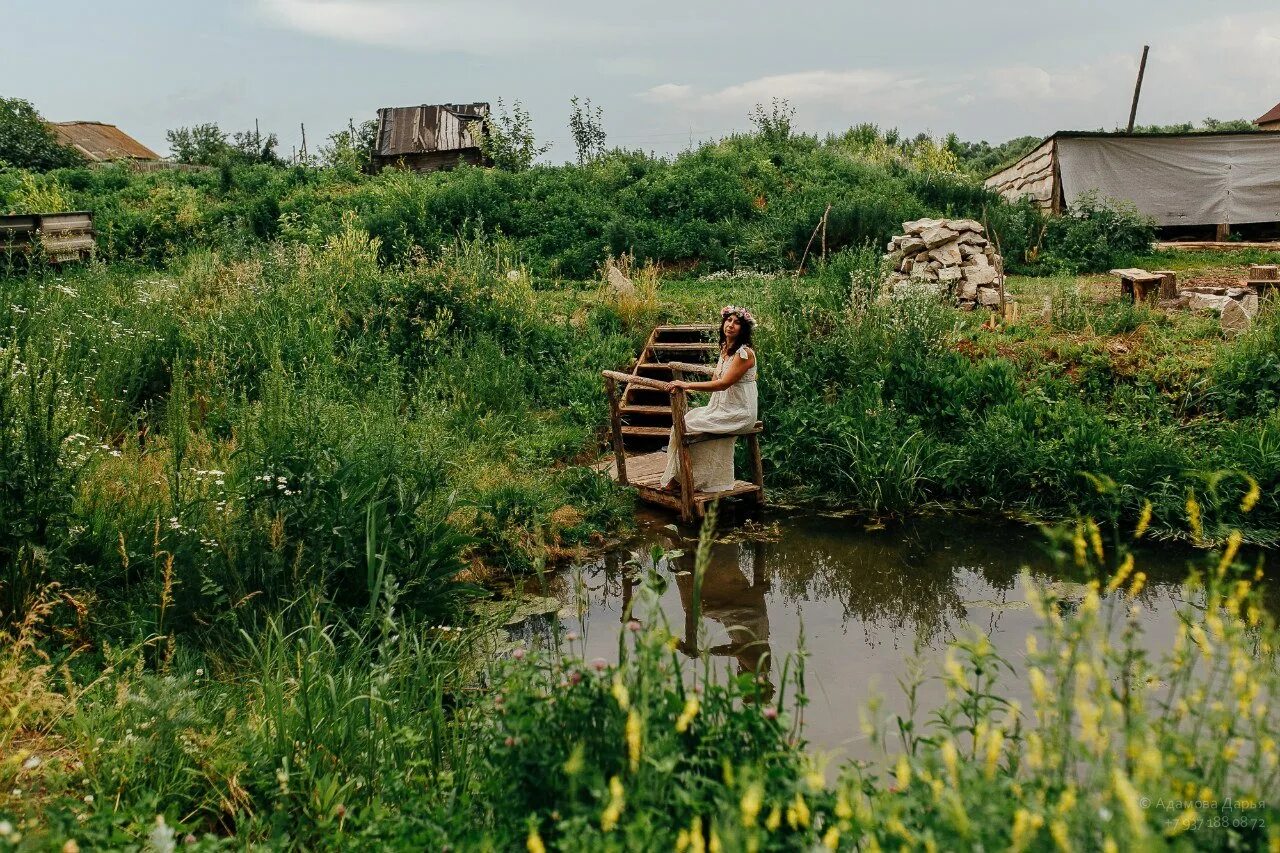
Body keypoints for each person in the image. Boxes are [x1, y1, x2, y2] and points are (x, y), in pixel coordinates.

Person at [659, 305, 758, 493]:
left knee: (689, 428)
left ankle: (685, 480)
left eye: (737, 323)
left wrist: (685, 384)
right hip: (721, 407)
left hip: (740, 411)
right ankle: (682, 476)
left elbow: (722, 384)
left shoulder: (745, 354)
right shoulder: (725, 348)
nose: (731, 325)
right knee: (683, 422)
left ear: (743, 329)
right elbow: (716, 378)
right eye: (728, 321)